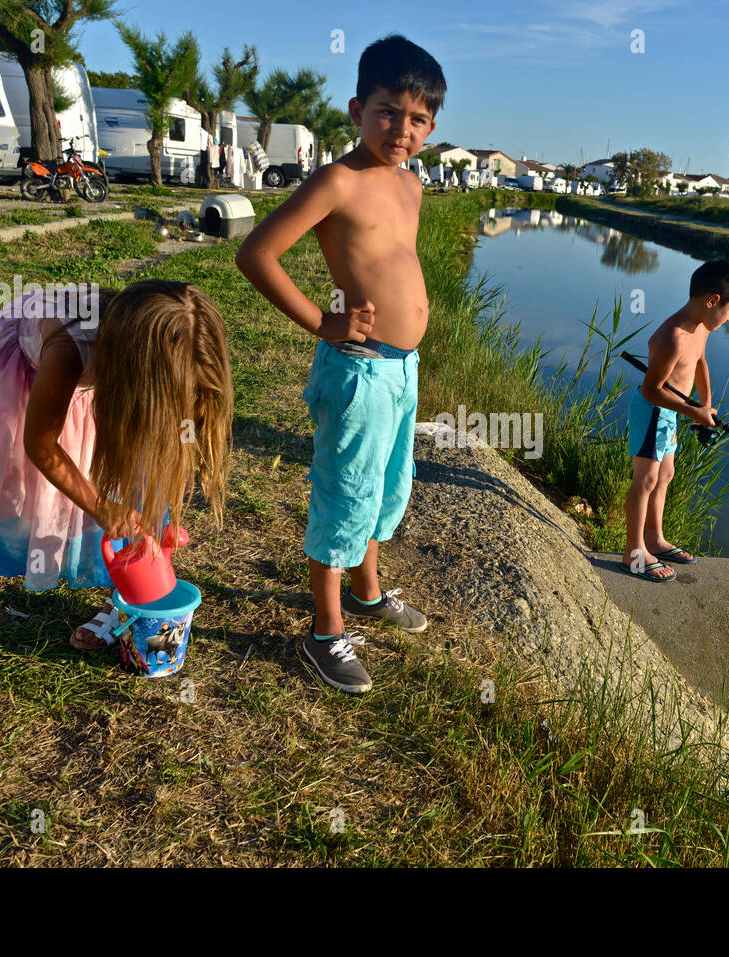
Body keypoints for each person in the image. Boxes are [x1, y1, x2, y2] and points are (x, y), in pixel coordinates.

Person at [235, 34, 445, 694]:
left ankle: (367, 591)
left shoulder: (411, 187)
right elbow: (256, 254)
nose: (401, 129)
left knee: (385, 490)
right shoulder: (337, 181)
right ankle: (325, 631)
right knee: (344, 494)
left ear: (432, 126)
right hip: (357, 369)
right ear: (357, 108)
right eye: (387, 111)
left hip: (401, 371)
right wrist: (323, 320)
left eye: (417, 119)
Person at [0, 279, 233, 647]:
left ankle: (126, 594)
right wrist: (101, 506)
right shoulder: (70, 349)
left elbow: (184, 426)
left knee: (135, 476)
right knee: (3, 478)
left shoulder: (167, 352)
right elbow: (40, 444)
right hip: (28, 370)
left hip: (106, 376)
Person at [623, 260, 729, 581]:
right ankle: (634, 550)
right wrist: (694, 412)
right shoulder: (674, 336)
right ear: (712, 301)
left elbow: (700, 364)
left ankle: (655, 538)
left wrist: (706, 406)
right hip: (653, 411)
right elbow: (651, 390)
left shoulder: (700, 329)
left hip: (672, 412)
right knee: (646, 480)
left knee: (666, 474)